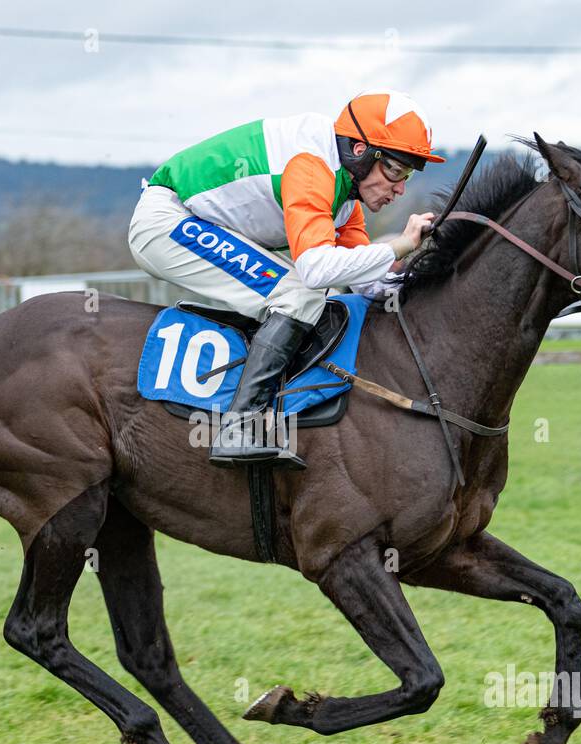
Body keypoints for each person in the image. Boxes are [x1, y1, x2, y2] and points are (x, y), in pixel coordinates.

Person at [128, 90, 444, 468]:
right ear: (359, 150)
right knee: (299, 295)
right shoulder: (312, 167)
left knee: (304, 291)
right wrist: (398, 246)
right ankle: (238, 428)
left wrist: (417, 271)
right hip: (166, 221)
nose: (400, 188)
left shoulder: (344, 195)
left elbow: (364, 281)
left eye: (407, 174)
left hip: (193, 220)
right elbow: (315, 271)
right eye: (394, 170)